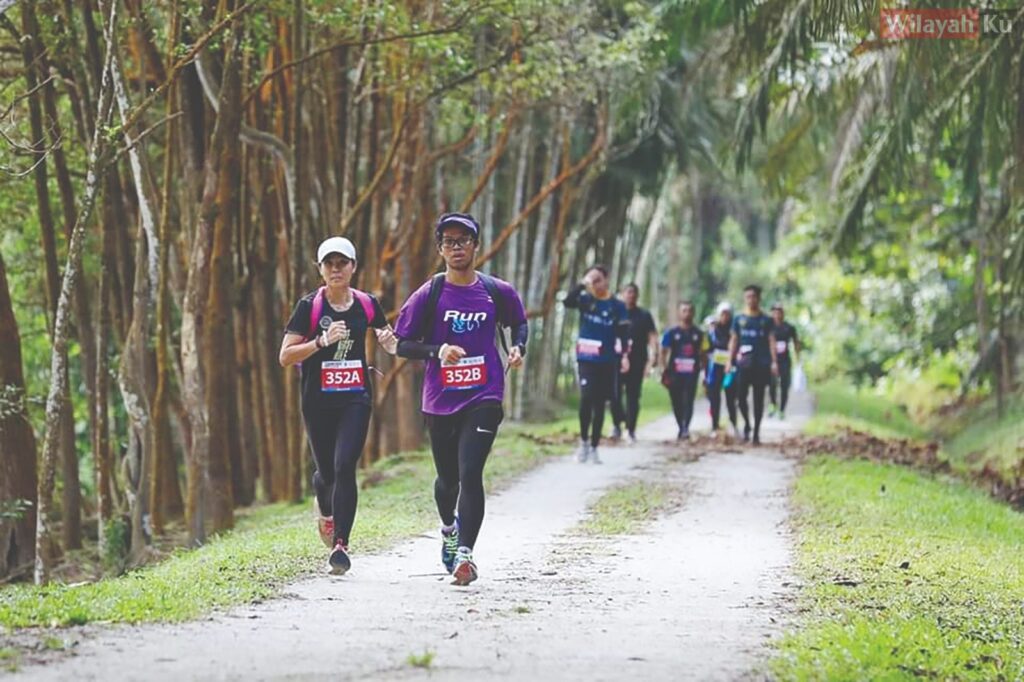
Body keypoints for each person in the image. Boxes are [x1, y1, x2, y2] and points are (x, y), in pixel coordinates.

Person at [395, 212, 528, 586]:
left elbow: (519, 321)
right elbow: (402, 343)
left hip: (485, 393)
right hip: (440, 399)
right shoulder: (429, 293)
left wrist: (518, 347)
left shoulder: (496, 290)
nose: (457, 247)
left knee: (471, 473)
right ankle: (449, 529)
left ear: (476, 246)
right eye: (449, 242)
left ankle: (466, 556)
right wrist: (438, 351)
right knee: (448, 480)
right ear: (440, 249)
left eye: (463, 240)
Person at [279, 237, 398, 575]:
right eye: (329, 263)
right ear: (320, 269)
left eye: (342, 262)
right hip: (317, 400)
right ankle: (324, 502)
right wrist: (320, 341)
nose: (335, 269)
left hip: (355, 397)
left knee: (345, 466)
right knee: (327, 474)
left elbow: (388, 339)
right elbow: (285, 356)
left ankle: (341, 546)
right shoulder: (309, 308)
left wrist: (390, 343)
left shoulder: (367, 304)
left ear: (353, 267)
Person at [564, 265, 630, 464]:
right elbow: (567, 302)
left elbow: (623, 333)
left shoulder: (617, 306)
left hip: (607, 360)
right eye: (593, 280)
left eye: (598, 279)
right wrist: (583, 283)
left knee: (600, 403)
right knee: (586, 398)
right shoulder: (585, 300)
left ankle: (594, 446)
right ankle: (583, 442)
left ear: (607, 280)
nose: (595, 284)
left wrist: (625, 356)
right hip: (586, 359)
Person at [725, 285, 779, 445]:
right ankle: (747, 424)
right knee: (740, 397)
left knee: (758, 398)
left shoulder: (766, 320)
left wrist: (774, 362)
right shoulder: (739, 319)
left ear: (759, 298)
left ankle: (756, 432)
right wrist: (729, 360)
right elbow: (734, 340)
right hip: (743, 364)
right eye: (747, 296)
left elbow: (771, 341)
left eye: (753, 296)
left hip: (761, 364)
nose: (750, 300)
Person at [612, 283, 657, 443]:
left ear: (637, 296)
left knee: (633, 396)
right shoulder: (615, 312)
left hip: (637, 360)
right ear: (622, 294)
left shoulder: (644, 315)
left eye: (634, 293)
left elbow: (652, 336)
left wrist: (652, 358)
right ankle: (617, 424)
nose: (631, 295)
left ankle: (631, 429)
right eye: (628, 292)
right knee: (614, 394)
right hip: (616, 360)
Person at [660, 301, 705, 440]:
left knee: (688, 399)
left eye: (689, 310)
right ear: (679, 313)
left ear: (693, 313)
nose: (687, 313)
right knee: (676, 400)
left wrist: (703, 368)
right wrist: (664, 369)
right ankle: (680, 424)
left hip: (692, 372)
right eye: (684, 310)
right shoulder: (672, 332)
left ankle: (685, 427)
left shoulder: (699, 333)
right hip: (675, 372)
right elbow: (664, 351)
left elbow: (704, 352)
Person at [705, 302, 740, 437]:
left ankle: (733, 424)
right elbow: (707, 348)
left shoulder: (734, 330)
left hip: (730, 367)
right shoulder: (712, 329)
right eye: (722, 314)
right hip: (714, 367)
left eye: (727, 314)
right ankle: (715, 425)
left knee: (731, 396)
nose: (724, 317)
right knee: (714, 397)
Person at [768, 303, 800, 419]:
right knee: (772, 383)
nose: (777, 314)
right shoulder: (769, 327)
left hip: (785, 360)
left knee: (784, 385)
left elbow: (796, 342)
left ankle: (782, 409)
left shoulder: (789, 328)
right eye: (775, 312)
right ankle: (772, 404)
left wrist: (798, 358)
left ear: (783, 313)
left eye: (779, 312)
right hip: (771, 360)